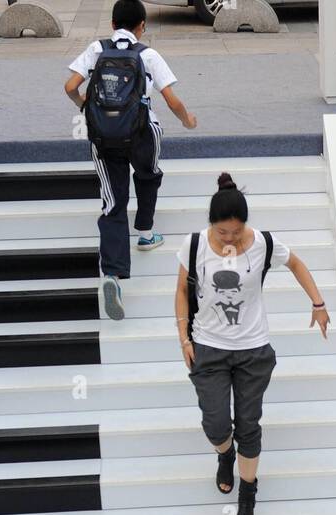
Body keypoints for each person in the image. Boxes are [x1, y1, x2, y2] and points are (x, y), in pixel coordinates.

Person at [175, 174, 330, 515]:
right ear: (210, 225)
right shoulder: (195, 244)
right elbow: (182, 290)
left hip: (253, 350)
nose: (229, 239)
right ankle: (224, 453)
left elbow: (296, 264)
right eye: (222, 233)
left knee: (249, 424)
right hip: (209, 347)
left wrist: (318, 303)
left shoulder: (263, 243)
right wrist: (184, 337)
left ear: (246, 224)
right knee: (215, 424)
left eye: (236, 233)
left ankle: (248, 490)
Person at [65, 0, 197, 321]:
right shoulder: (148, 54)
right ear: (142, 26)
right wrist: (187, 120)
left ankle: (112, 275)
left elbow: (70, 86)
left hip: (103, 135)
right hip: (141, 132)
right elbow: (171, 98)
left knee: (113, 203)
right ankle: (146, 233)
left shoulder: (97, 49)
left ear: (112, 24)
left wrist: (87, 108)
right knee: (149, 174)